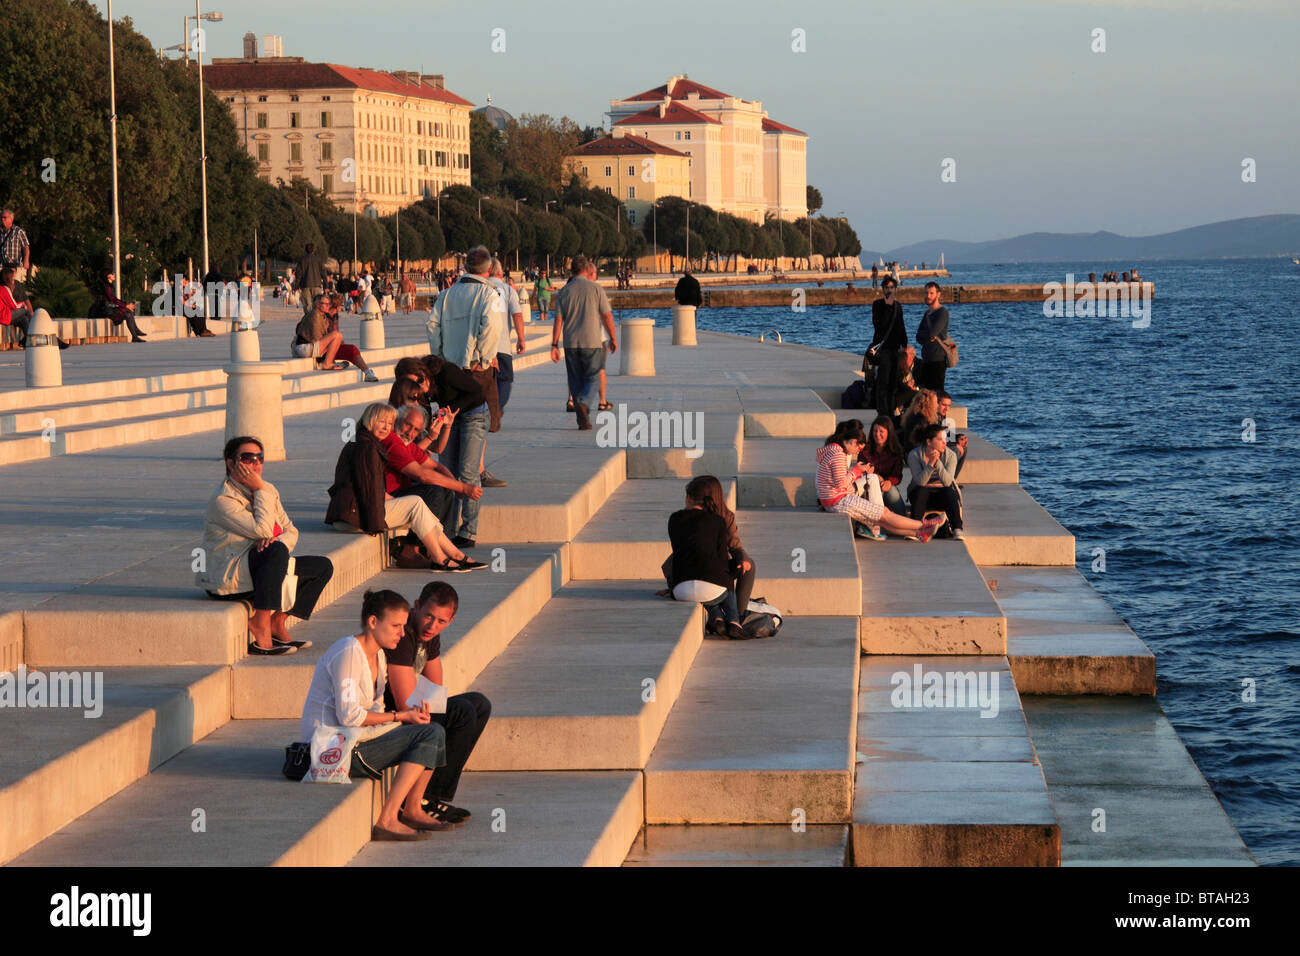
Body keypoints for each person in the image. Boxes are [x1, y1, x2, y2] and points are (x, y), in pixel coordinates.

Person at [299, 589, 449, 840]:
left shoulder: (378, 655)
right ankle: (388, 819)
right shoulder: (347, 651)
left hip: (355, 741)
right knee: (428, 731)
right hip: (330, 751)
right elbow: (349, 717)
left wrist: (407, 719)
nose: (402, 633)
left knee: (430, 726)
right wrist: (400, 717)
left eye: (403, 626)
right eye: (396, 626)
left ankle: (411, 808)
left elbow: (375, 711)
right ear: (372, 622)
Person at [198, 436, 335, 655]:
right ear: (230, 463)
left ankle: (276, 622)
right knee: (276, 550)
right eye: (247, 458)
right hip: (228, 578)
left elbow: (291, 531)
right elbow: (262, 530)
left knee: (322, 567)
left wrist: (275, 540)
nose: (255, 464)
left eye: (259, 458)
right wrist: (260, 491)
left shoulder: (267, 489)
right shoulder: (222, 500)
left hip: (260, 567)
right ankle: (260, 623)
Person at [325, 402, 485, 571]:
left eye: (389, 423)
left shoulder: (370, 442)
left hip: (359, 511)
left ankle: (453, 555)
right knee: (418, 501)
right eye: (382, 422)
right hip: (355, 517)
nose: (386, 428)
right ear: (370, 420)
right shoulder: (369, 447)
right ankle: (435, 556)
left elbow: (370, 486)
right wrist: (463, 488)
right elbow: (371, 489)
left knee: (422, 500)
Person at [382, 582, 491, 827]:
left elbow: (435, 690)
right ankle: (422, 800)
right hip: (393, 715)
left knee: (479, 704)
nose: (432, 626)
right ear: (417, 607)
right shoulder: (403, 633)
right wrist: (430, 704)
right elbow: (406, 703)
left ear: (451, 620)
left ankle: (429, 797)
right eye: (428, 616)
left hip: (413, 709)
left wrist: (432, 703)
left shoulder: (430, 636)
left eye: (441, 621)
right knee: (461, 712)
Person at [427, 246, 500, 547]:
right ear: (489, 270)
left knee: (446, 464)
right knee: (469, 467)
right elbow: (492, 328)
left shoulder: (446, 295)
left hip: (447, 377)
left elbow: (431, 325)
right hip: (474, 376)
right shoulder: (490, 296)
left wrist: (440, 357)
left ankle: (444, 525)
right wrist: (483, 356)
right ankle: (467, 531)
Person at [817, 419, 945, 542]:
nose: (857, 452)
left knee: (880, 518)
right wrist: (856, 470)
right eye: (858, 448)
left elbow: (836, 481)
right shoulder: (839, 455)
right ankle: (924, 524)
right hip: (838, 500)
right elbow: (840, 483)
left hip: (832, 499)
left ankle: (919, 533)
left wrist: (858, 473)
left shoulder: (832, 448)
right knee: (884, 513)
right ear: (853, 441)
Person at [660, 474, 756, 615]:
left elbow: (735, 546)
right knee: (676, 563)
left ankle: (739, 613)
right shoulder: (688, 516)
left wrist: (742, 559)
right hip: (691, 561)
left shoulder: (726, 517)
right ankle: (727, 616)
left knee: (749, 566)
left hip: (714, 561)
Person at [384, 404, 481, 524]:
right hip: (388, 497)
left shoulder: (407, 444)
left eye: (416, 430)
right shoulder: (392, 441)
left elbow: (436, 466)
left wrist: (456, 487)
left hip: (400, 492)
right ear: (397, 420)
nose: (410, 433)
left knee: (444, 489)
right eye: (408, 425)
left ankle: (442, 536)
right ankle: (417, 542)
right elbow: (423, 476)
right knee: (434, 491)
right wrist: (462, 487)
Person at [551, 255, 617, 430]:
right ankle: (583, 402)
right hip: (592, 342)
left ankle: (583, 418)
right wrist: (613, 338)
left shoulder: (564, 292)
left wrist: (554, 345)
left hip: (571, 343)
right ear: (587, 270)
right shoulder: (596, 289)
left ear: (572, 270)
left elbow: (558, 320)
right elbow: (607, 315)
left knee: (574, 379)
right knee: (593, 378)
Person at [484, 257, 526, 487]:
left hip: (483, 348)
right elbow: (517, 315)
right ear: (500, 272)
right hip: (502, 347)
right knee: (505, 380)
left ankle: (490, 411)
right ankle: (497, 410)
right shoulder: (508, 289)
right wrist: (521, 338)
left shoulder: (479, 287)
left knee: (487, 381)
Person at [295, 293, 379, 381]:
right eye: (326, 304)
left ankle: (367, 372)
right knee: (337, 335)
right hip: (311, 348)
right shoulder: (316, 315)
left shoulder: (329, 316)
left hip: (322, 347)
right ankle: (327, 363)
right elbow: (314, 337)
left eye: (329, 304)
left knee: (351, 349)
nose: (328, 306)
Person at [907, 423, 964, 540]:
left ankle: (957, 529)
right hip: (921, 495)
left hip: (942, 496)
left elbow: (948, 482)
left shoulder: (951, 456)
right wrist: (930, 464)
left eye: (945, 439)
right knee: (922, 490)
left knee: (948, 490)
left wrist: (937, 463)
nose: (945, 442)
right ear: (929, 442)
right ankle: (914, 529)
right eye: (940, 439)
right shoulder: (914, 455)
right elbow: (920, 482)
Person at [867, 276, 905, 414]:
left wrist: (904, 344)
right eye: (887, 287)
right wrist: (888, 306)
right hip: (883, 349)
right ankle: (882, 411)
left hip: (895, 348)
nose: (889, 290)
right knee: (883, 380)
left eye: (892, 287)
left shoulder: (898, 306)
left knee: (893, 381)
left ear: (895, 289)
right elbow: (879, 325)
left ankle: (891, 409)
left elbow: (901, 326)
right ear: (883, 289)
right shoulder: (877, 305)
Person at [859, 415, 907, 521]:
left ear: (888, 432)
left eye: (881, 431)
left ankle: (905, 522)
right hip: (869, 486)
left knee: (892, 493)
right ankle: (873, 526)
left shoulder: (895, 451)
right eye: (875, 431)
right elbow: (861, 471)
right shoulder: (865, 451)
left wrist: (889, 482)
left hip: (887, 485)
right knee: (875, 493)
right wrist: (876, 477)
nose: (877, 434)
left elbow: (897, 475)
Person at [915, 281, 950, 391]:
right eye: (926, 293)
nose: (928, 296)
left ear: (938, 294)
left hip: (938, 360)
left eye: (931, 293)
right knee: (924, 394)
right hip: (926, 359)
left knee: (936, 395)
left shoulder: (942, 313)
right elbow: (918, 337)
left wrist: (927, 335)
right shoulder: (927, 313)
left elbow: (932, 333)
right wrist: (927, 336)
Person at [102, 272, 147, 343]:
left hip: (111, 308)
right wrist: (126, 305)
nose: (114, 275)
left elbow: (114, 299)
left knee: (128, 312)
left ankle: (135, 334)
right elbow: (113, 300)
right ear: (108, 276)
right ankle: (135, 334)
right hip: (106, 310)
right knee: (128, 313)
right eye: (112, 273)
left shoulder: (110, 285)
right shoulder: (106, 286)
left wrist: (126, 305)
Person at [0, 267, 36, 346]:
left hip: (5, 316)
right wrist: (23, 305)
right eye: (12, 278)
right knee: (25, 311)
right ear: (8, 279)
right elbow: (14, 306)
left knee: (24, 319)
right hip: (3, 316)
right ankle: (34, 334)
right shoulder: (4, 289)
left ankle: (28, 340)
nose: (14, 281)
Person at [900, 388, 941, 456]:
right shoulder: (922, 421)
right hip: (917, 454)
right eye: (936, 402)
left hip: (910, 451)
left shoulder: (913, 415)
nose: (937, 405)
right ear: (929, 405)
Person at [294, 243, 326, 319]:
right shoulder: (318, 259)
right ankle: (317, 319)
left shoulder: (302, 260)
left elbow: (298, 274)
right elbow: (323, 273)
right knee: (317, 305)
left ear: (305, 250)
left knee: (307, 306)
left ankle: (309, 320)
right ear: (313, 250)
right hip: (317, 285)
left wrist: (296, 286)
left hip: (305, 285)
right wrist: (326, 285)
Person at [0, 209, 30, 279]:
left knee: (15, 288)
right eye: (1, 217)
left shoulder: (18, 231)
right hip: (3, 267)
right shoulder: (0, 232)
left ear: (11, 219)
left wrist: (26, 260)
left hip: (15, 267)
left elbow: (26, 247)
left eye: (4, 217)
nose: (2, 219)